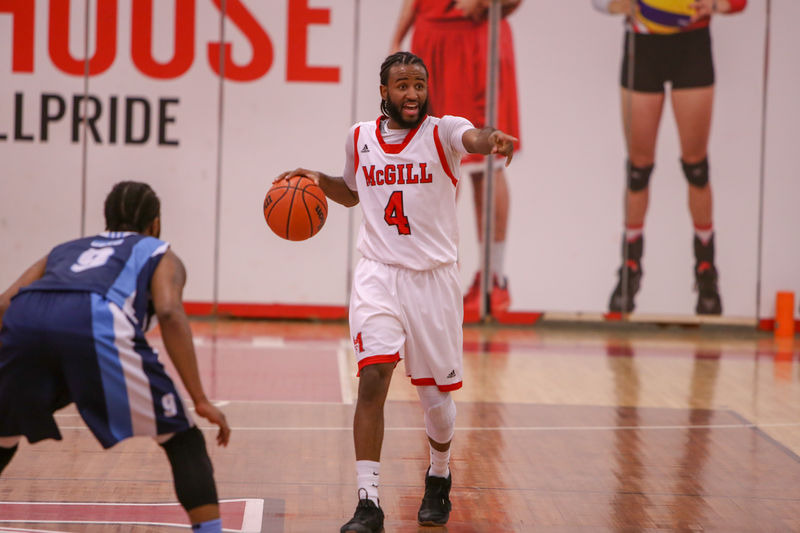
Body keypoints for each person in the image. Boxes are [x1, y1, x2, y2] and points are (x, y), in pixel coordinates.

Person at [275, 52, 516, 532]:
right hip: (378, 274)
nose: (413, 93)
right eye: (403, 85)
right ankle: (368, 503)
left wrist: (491, 140)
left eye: (419, 84)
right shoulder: (360, 137)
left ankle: (439, 475)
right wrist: (314, 180)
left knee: (436, 404)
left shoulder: (444, 132)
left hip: (434, 280)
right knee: (374, 379)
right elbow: (350, 190)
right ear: (384, 92)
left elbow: (473, 137)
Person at [0, 181, 231, 533]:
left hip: (25, 319)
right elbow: (169, 312)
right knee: (183, 439)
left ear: (106, 219)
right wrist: (199, 398)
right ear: (155, 223)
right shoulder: (158, 251)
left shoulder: (65, 249)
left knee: (3, 433)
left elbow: (4, 303)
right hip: (93, 319)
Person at [594, 0, 746, 315]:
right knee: (638, 169)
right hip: (643, 43)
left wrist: (718, 5)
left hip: (692, 45)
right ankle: (630, 267)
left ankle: (705, 270)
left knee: (696, 168)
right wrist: (611, 6)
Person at [389, 0, 522, 320]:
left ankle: (493, 279)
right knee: (432, 162)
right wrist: (398, 37)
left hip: (473, 40)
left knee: (482, 162)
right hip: (430, 38)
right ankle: (433, 276)